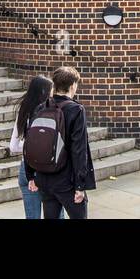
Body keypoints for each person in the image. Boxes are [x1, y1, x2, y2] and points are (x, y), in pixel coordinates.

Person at [25, 66, 96, 219]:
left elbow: (30, 143)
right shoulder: (76, 110)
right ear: (72, 86)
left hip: (44, 178)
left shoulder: (41, 108)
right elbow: (79, 149)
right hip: (67, 181)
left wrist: (31, 176)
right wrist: (80, 185)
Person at [10, 75, 57, 217]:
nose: (52, 93)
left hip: (26, 169)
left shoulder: (23, 111)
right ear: (44, 92)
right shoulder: (50, 113)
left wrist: (29, 148)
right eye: (51, 90)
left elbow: (13, 146)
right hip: (47, 170)